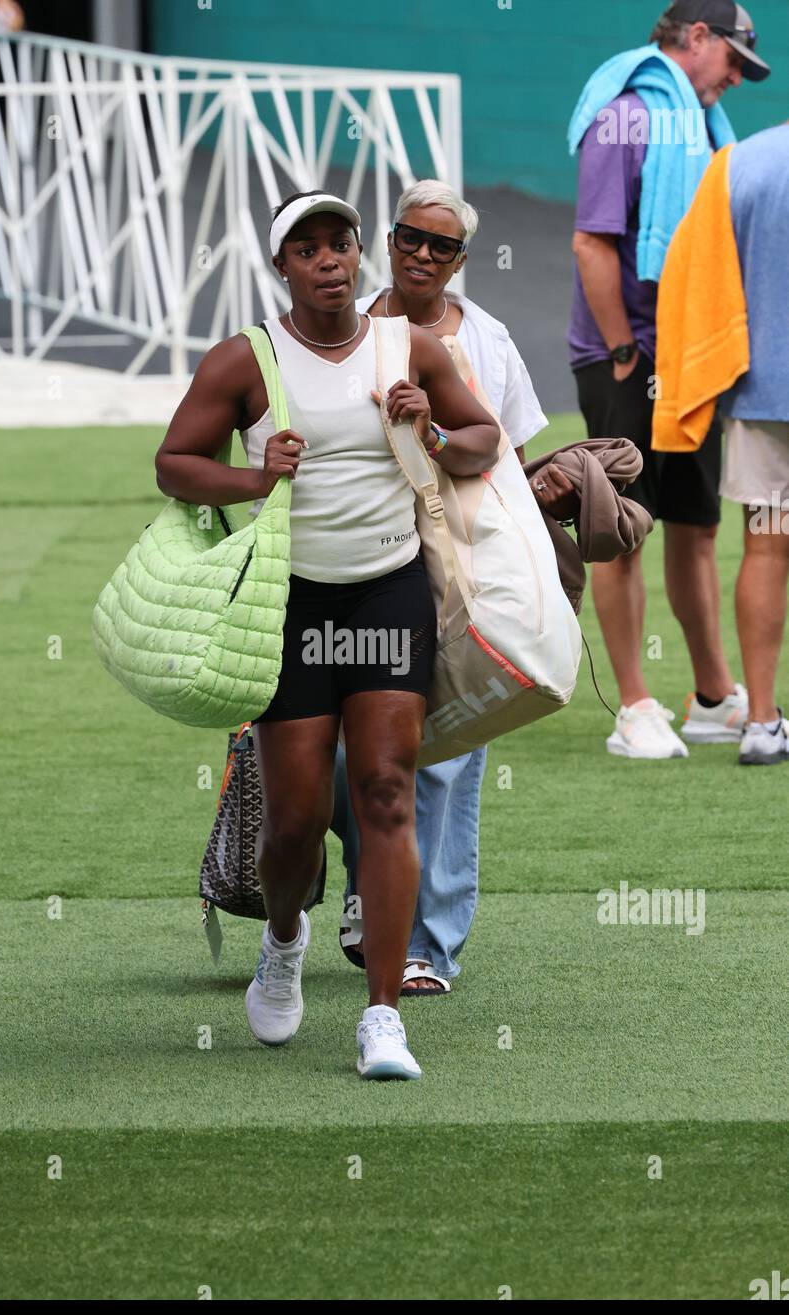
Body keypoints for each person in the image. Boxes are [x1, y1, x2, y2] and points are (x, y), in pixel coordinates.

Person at [155, 191, 499, 1078]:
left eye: (340, 244)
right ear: (283, 268)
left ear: (358, 253)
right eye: (306, 250)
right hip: (295, 605)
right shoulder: (248, 359)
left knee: (386, 791)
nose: (329, 261)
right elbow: (174, 465)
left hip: (387, 594)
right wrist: (251, 474)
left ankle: (382, 1015)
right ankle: (282, 940)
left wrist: (429, 424)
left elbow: (483, 439)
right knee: (297, 821)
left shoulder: (407, 346)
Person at [330, 179, 551, 996]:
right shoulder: (345, 327)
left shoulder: (486, 339)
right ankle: (368, 895)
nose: (423, 255)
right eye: (410, 238)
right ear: (388, 240)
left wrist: (440, 431)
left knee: (453, 753)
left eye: (443, 246)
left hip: (462, 561)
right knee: (349, 739)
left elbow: (510, 456)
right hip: (361, 554)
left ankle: (430, 943)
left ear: (462, 260)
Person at [568, 0, 770, 758]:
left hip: (692, 354)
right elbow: (591, 243)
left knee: (696, 526)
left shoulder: (707, 128)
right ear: (696, 39)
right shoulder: (626, 115)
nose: (737, 82)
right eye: (734, 63)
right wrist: (624, 351)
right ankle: (634, 706)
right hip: (627, 355)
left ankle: (714, 696)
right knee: (624, 531)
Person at [655, 123, 789, 765]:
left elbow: (691, 270)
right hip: (762, 399)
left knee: (766, 549)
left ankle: (761, 723)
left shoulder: (740, 163)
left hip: (765, 400)